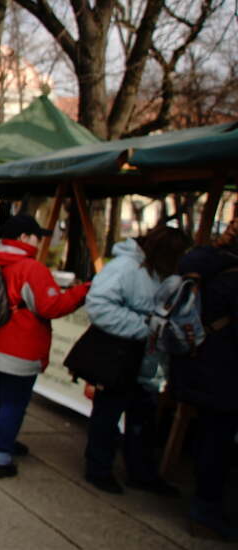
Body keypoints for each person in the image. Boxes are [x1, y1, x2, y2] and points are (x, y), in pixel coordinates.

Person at [0, 214, 90, 480]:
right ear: (24, 238)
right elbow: (52, 307)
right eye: (37, 236)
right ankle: (0, 455)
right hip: (19, 345)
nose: (40, 242)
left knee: (3, 396)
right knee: (14, 401)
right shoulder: (31, 268)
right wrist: (83, 291)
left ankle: (3, 437)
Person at [82, 224, 191, 495]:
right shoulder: (125, 268)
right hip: (121, 356)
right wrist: (145, 326)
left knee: (143, 418)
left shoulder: (164, 273)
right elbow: (99, 305)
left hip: (150, 360)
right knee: (107, 415)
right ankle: (98, 469)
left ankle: (141, 471)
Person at [173, 236, 238, 539]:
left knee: (210, 437)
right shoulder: (230, 278)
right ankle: (206, 509)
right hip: (223, 373)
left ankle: (204, 504)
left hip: (198, 364)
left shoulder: (205, 269)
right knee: (217, 442)